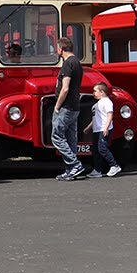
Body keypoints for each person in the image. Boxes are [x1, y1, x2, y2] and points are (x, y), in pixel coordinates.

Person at [50, 37, 86, 180]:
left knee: (57, 136)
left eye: (57, 48)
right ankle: (71, 170)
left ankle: (75, 164)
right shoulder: (77, 62)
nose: (57, 50)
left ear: (62, 49)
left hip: (66, 107)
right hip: (75, 106)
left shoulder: (67, 64)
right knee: (71, 139)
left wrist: (57, 106)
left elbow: (65, 88)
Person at [86, 82, 123, 179]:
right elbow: (96, 118)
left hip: (103, 129)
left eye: (95, 91)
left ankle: (114, 165)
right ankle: (97, 170)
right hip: (96, 130)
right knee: (95, 150)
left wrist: (106, 128)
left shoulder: (107, 102)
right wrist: (88, 127)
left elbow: (109, 115)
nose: (93, 93)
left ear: (102, 92)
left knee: (102, 148)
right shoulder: (98, 103)